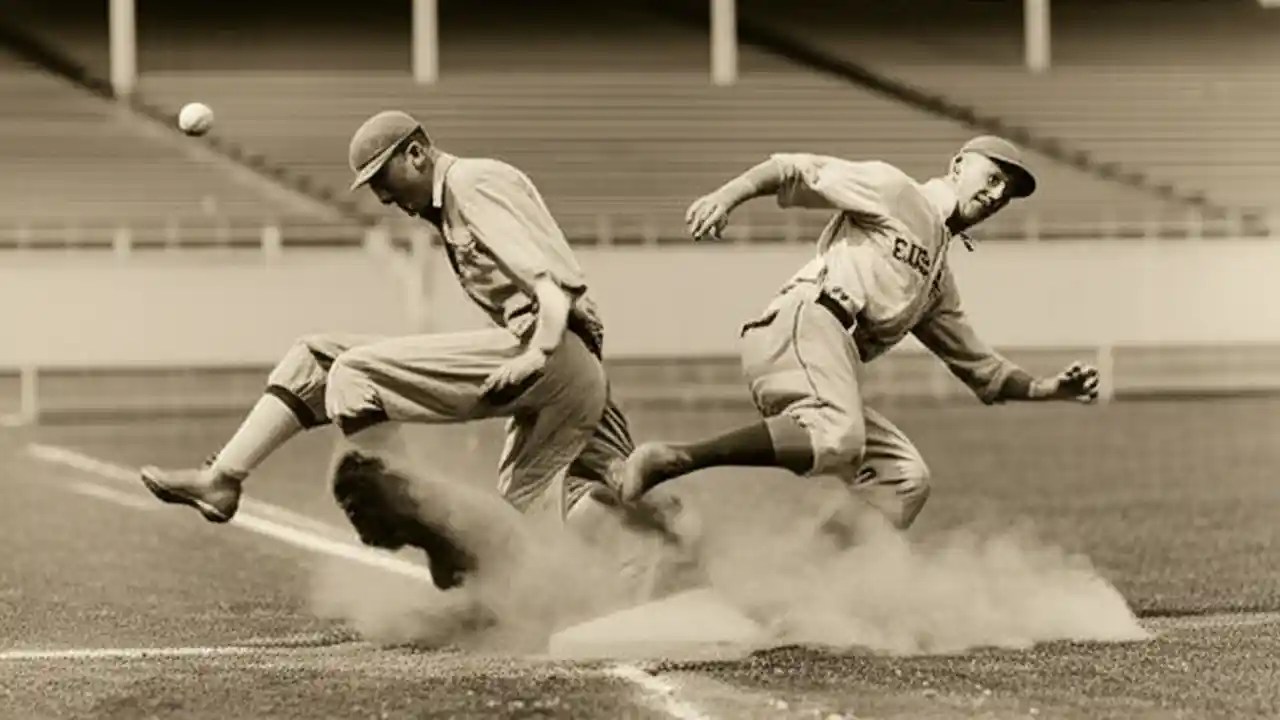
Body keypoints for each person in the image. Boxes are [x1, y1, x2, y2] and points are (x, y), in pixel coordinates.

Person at [140, 110, 684, 591]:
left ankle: (423, 515)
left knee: (354, 374)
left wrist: (536, 354)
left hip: (551, 351)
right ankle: (222, 479)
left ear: (417, 153)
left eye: (382, 177)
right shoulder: (458, 199)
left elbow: (550, 284)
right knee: (318, 359)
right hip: (569, 365)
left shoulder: (471, 183)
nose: (381, 197)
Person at [611, 136, 1101, 536]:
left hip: (827, 360)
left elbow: (983, 370)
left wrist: (1048, 388)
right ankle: (670, 459)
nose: (997, 195)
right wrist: (727, 196)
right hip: (806, 320)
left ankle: (805, 584)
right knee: (839, 438)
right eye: (993, 178)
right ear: (957, 165)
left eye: (1007, 193)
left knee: (905, 479)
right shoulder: (898, 191)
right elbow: (796, 168)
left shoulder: (936, 279)